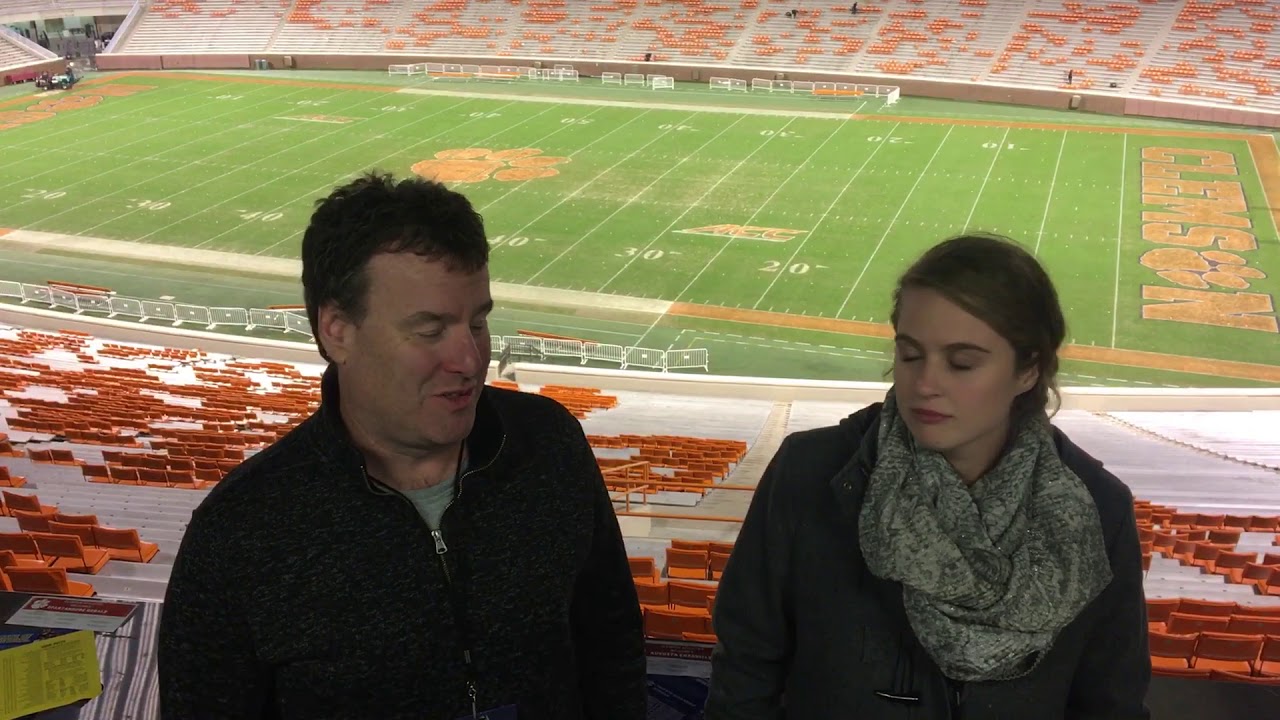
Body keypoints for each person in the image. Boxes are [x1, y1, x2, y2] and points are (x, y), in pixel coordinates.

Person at [157, 172, 647, 720]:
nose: (470, 359)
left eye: (478, 321)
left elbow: (612, 645)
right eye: (430, 329)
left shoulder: (550, 444)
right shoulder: (240, 533)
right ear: (337, 330)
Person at [705, 234, 1150, 719]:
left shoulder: (1098, 510)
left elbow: (1110, 702)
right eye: (911, 355)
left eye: (962, 363)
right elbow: (746, 669)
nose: (925, 384)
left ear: (1028, 370)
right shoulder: (808, 473)